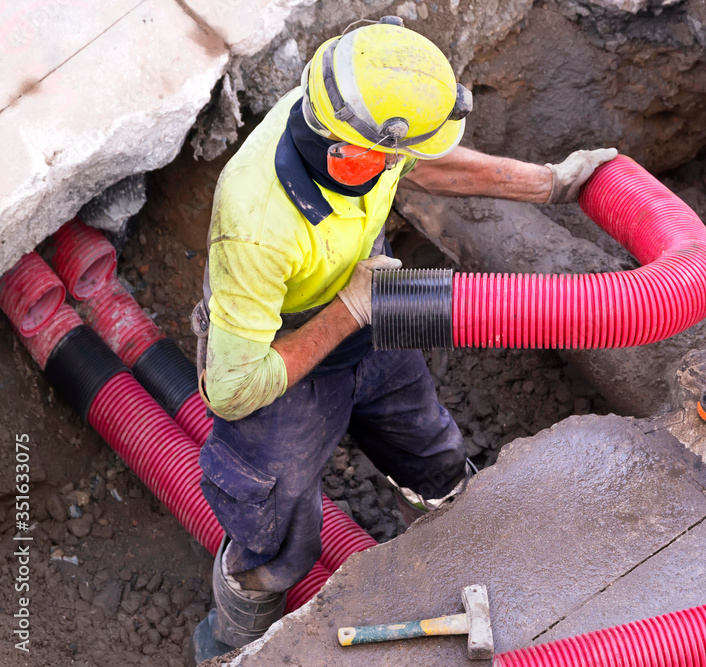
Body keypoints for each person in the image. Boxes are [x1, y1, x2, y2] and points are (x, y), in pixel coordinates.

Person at [189, 15, 616, 660]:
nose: (405, 162)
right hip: (281, 356)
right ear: (353, 154)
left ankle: (460, 557)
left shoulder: (348, 120)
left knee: (432, 450)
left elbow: (424, 166)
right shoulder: (257, 222)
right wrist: (349, 311)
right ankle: (235, 644)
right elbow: (232, 389)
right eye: (395, 155)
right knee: (273, 530)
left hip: (370, 305)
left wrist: (547, 183)